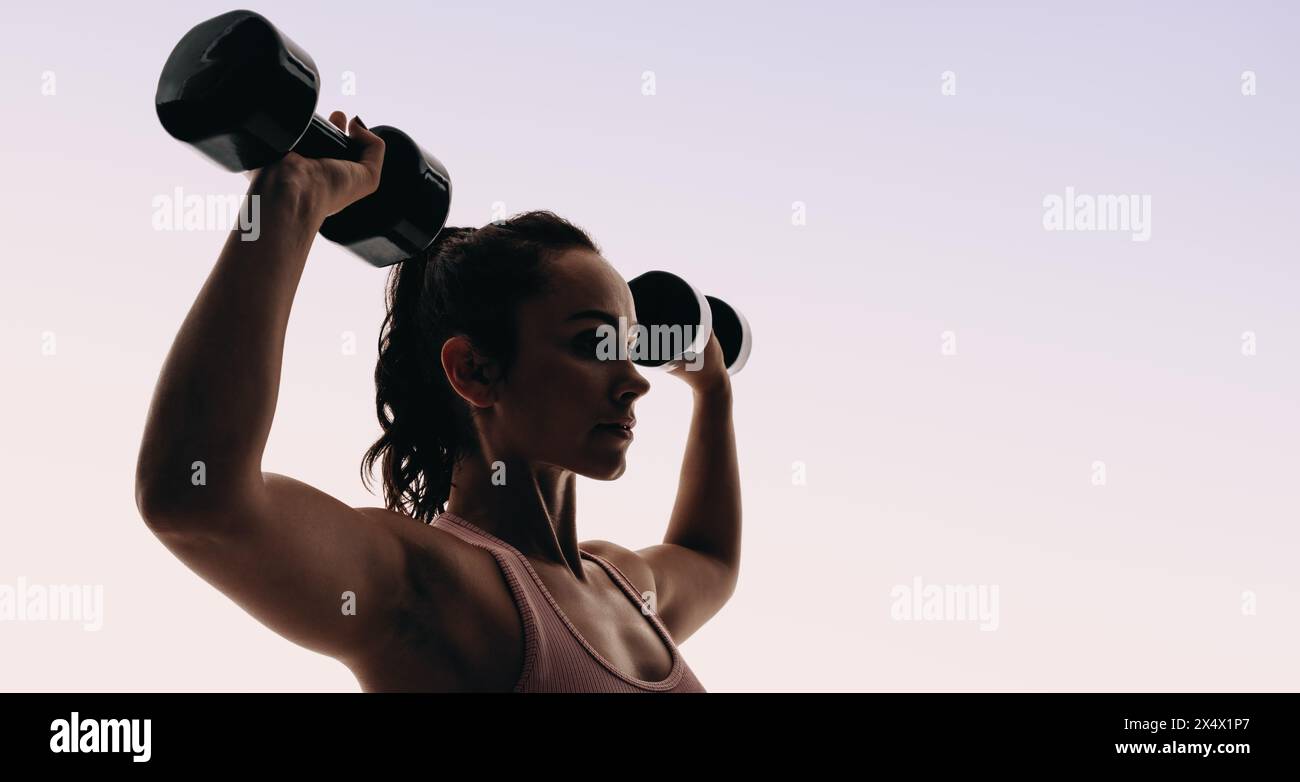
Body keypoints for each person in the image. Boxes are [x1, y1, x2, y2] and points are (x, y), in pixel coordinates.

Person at [134, 112, 741, 692]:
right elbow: (195, 498)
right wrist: (291, 197)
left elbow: (707, 558)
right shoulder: (432, 584)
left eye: (627, 346)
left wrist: (713, 391)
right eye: (591, 343)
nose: (636, 381)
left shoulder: (623, 585)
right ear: (474, 372)